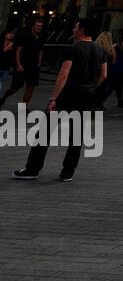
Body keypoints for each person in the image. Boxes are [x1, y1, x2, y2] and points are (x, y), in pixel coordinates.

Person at [11, 18, 107, 182]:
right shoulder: (100, 50)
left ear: (81, 30)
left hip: (68, 93)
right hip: (87, 95)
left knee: (45, 131)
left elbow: (63, 74)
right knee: (76, 135)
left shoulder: (73, 48)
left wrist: (54, 98)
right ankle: (68, 171)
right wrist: (92, 88)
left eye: (75, 27)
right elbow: (104, 75)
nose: (73, 29)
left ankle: (33, 169)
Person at [2, 17, 47, 108]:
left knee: (31, 87)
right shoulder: (25, 36)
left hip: (33, 66)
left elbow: (41, 51)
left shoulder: (41, 37)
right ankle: (3, 98)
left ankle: (24, 107)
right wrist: (18, 64)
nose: (39, 28)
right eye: (37, 26)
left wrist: (39, 63)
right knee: (15, 88)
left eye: (41, 26)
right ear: (33, 27)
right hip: (22, 64)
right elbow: (18, 51)